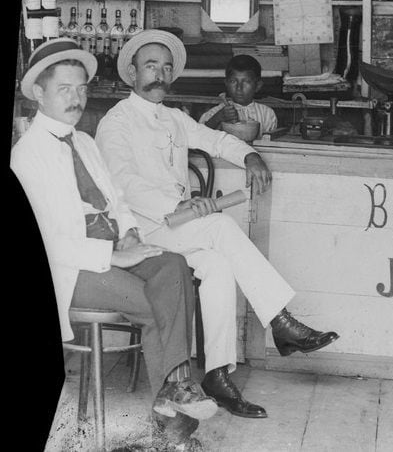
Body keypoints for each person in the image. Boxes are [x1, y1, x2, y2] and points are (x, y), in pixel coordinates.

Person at [95, 30, 339, 420]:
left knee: (220, 266)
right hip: (143, 231)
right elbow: (123, 184)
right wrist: (179, 202)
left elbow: (218, 141)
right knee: (222, 228)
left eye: (167, 66)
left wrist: (250, 156)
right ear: (132, 73)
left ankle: (217, 374)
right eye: (151, 66)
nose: (160, 73)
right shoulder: (116, 122)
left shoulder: (174, 118)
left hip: (178, 226)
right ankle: (280, 320)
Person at [10, 39, 217, 446]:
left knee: (173, 267)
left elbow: (117, 199)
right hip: (71, 269)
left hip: (114, 250)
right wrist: (115, 256)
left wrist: (129, 232)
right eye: (64, 89)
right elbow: (50, 243)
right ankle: (174, 429)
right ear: (39, 92)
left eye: (82, 88)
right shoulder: (25, 157)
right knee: (161, 305)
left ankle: (172, 398)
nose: (76, 98)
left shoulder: (83, 142)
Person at [199, 55, 277, 137]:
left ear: (258, 86)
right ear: (226, 83)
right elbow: (198, 137)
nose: (239, 88)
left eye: (246, 81)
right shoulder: (214, 113)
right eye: (233, 81)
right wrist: (218, 118)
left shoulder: (267, 114)